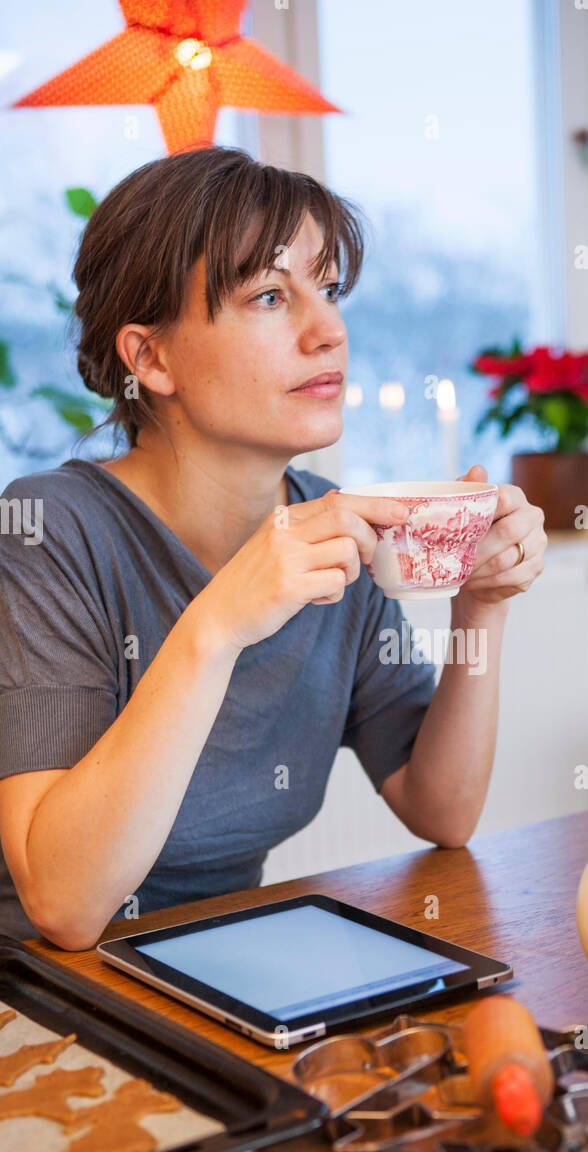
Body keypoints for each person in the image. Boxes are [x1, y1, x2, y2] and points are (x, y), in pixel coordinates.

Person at [0, 147, 547, 951]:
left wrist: (481, 606)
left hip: (222, 964)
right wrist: (218, 623)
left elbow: (442, 809)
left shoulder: (331, 529)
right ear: (150, 357)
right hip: (45, 997)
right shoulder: (49, 531)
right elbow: (66, 906)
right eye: (268, 296)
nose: (329, 331)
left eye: (328, 291)